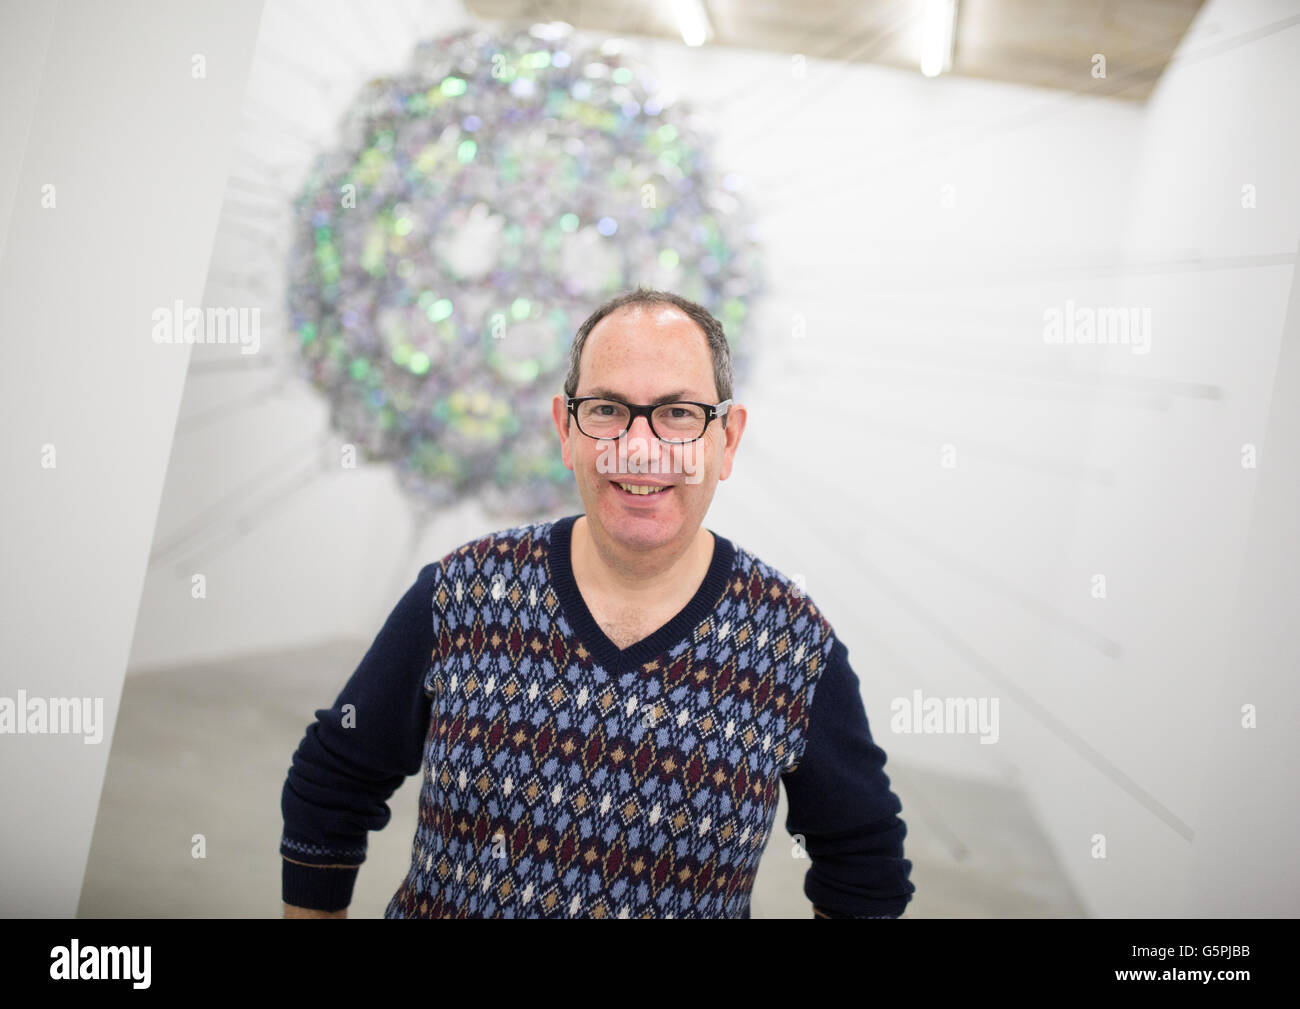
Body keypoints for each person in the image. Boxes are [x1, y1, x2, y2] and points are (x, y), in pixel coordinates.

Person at [280, 288, 915, 918]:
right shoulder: (464, 595)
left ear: (727, 438)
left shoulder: (792, 647)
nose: (639, 447)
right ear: (565, 429)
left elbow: (863, 861)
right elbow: (333, 781)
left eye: (678, 413)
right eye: (608, 409)